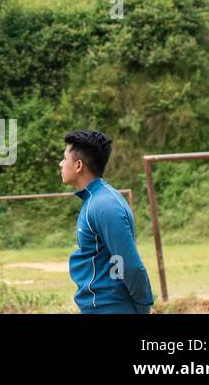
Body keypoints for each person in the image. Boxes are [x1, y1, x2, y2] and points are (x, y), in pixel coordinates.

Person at [60, 129, 154, 314]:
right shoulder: (94, 200)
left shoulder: (104, 205)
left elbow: (129, 264)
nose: (61, 163)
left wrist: (144, 308)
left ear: (78, 165)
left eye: (64, 158)